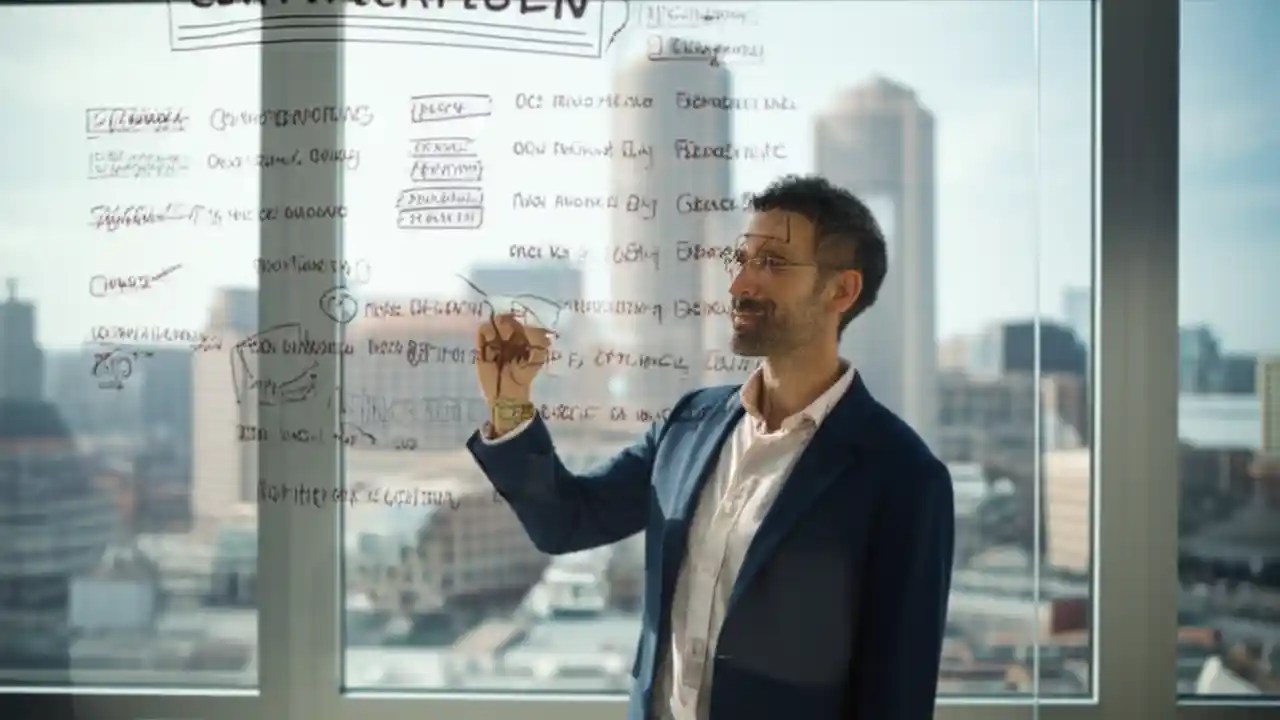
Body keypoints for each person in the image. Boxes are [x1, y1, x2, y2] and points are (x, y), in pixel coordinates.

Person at [466, 174, 955, 720]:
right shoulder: (689, 423)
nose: (739, 284)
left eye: (771, 264)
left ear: (841, 291)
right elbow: (566, 522)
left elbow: (896, 696)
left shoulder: (903, 476)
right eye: (740, 260)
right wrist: (510, 403)